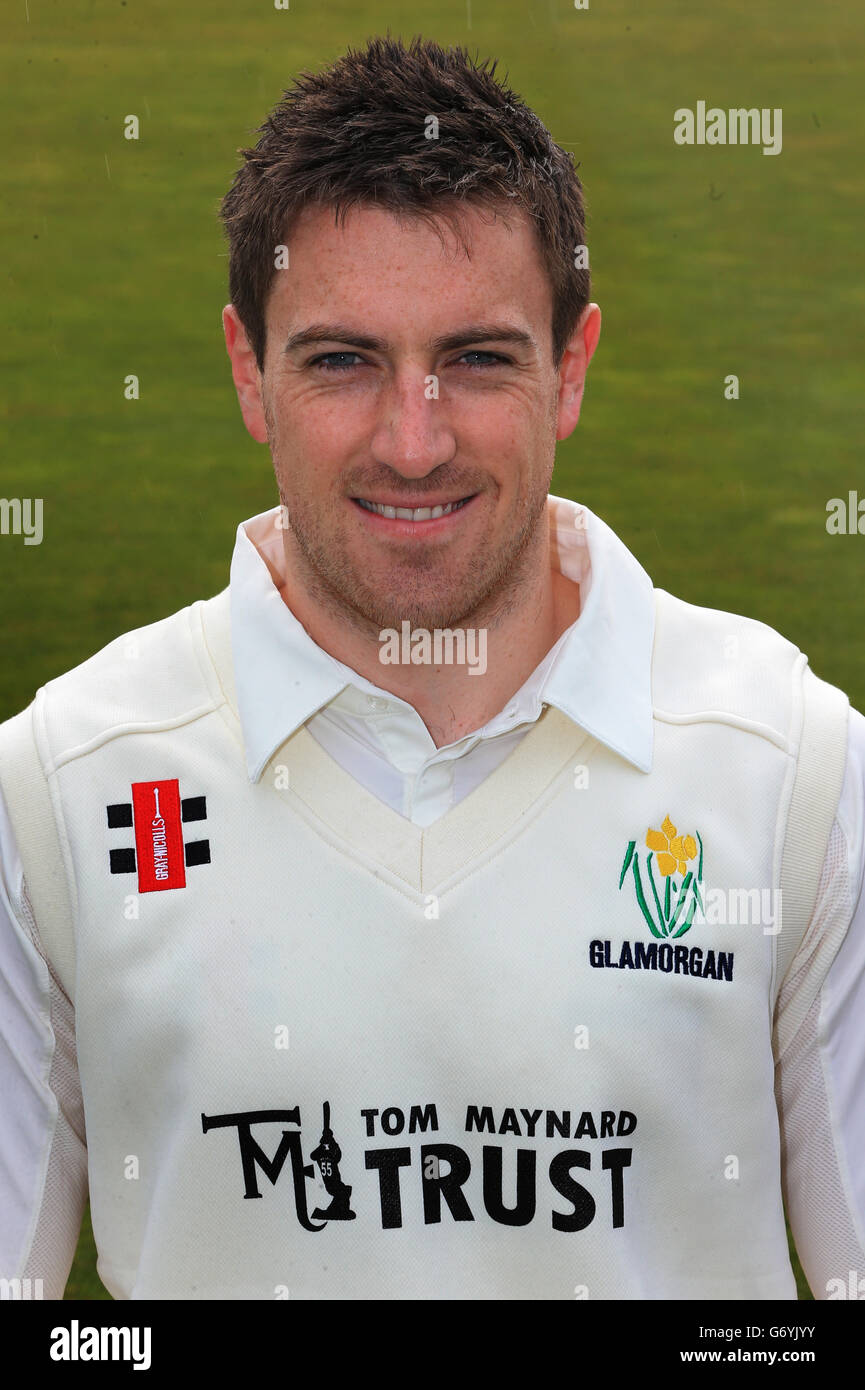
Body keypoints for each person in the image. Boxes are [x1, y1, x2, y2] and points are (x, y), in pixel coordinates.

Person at [1, 35, 863, 1302]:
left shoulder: (794, 771)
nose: (415, 442)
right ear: (249, 373)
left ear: (570, 369)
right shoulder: (60, 791)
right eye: (342, 361)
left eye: (477, 359)